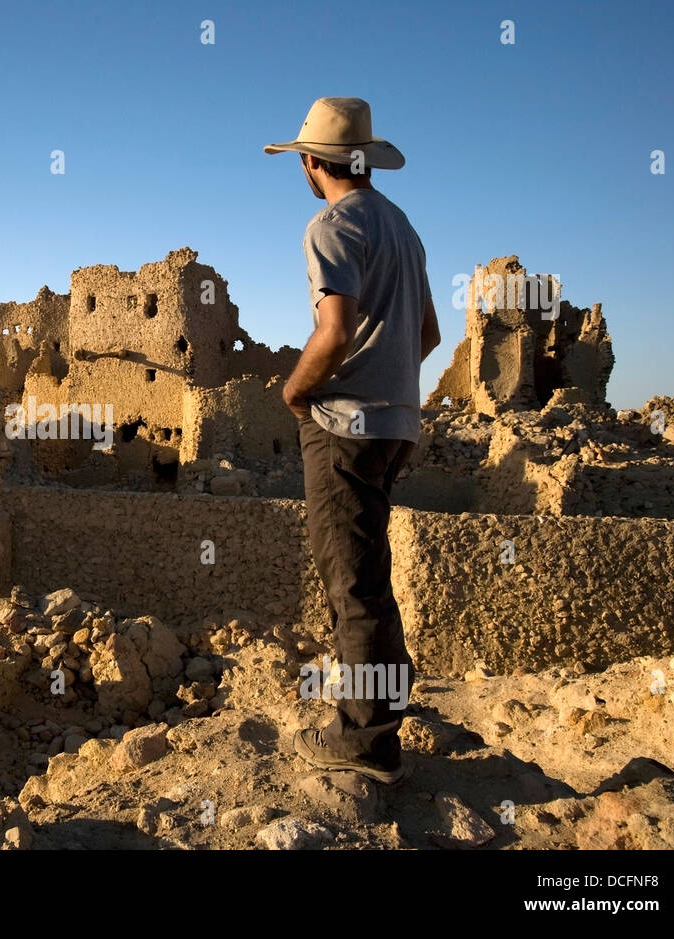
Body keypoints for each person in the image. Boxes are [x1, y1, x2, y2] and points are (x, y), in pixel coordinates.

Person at [263, 97, 442, 783]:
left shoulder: (332, 226)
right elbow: (428, 334)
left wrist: (295, 391)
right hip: (397, 425)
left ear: (313, 162)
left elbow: (334, 330)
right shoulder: (401, 226)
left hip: (344, 426)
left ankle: (365, 741)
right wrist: (387, 381)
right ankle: (384, 709)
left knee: (350, 582)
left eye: (303, 160)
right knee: (369, 572)